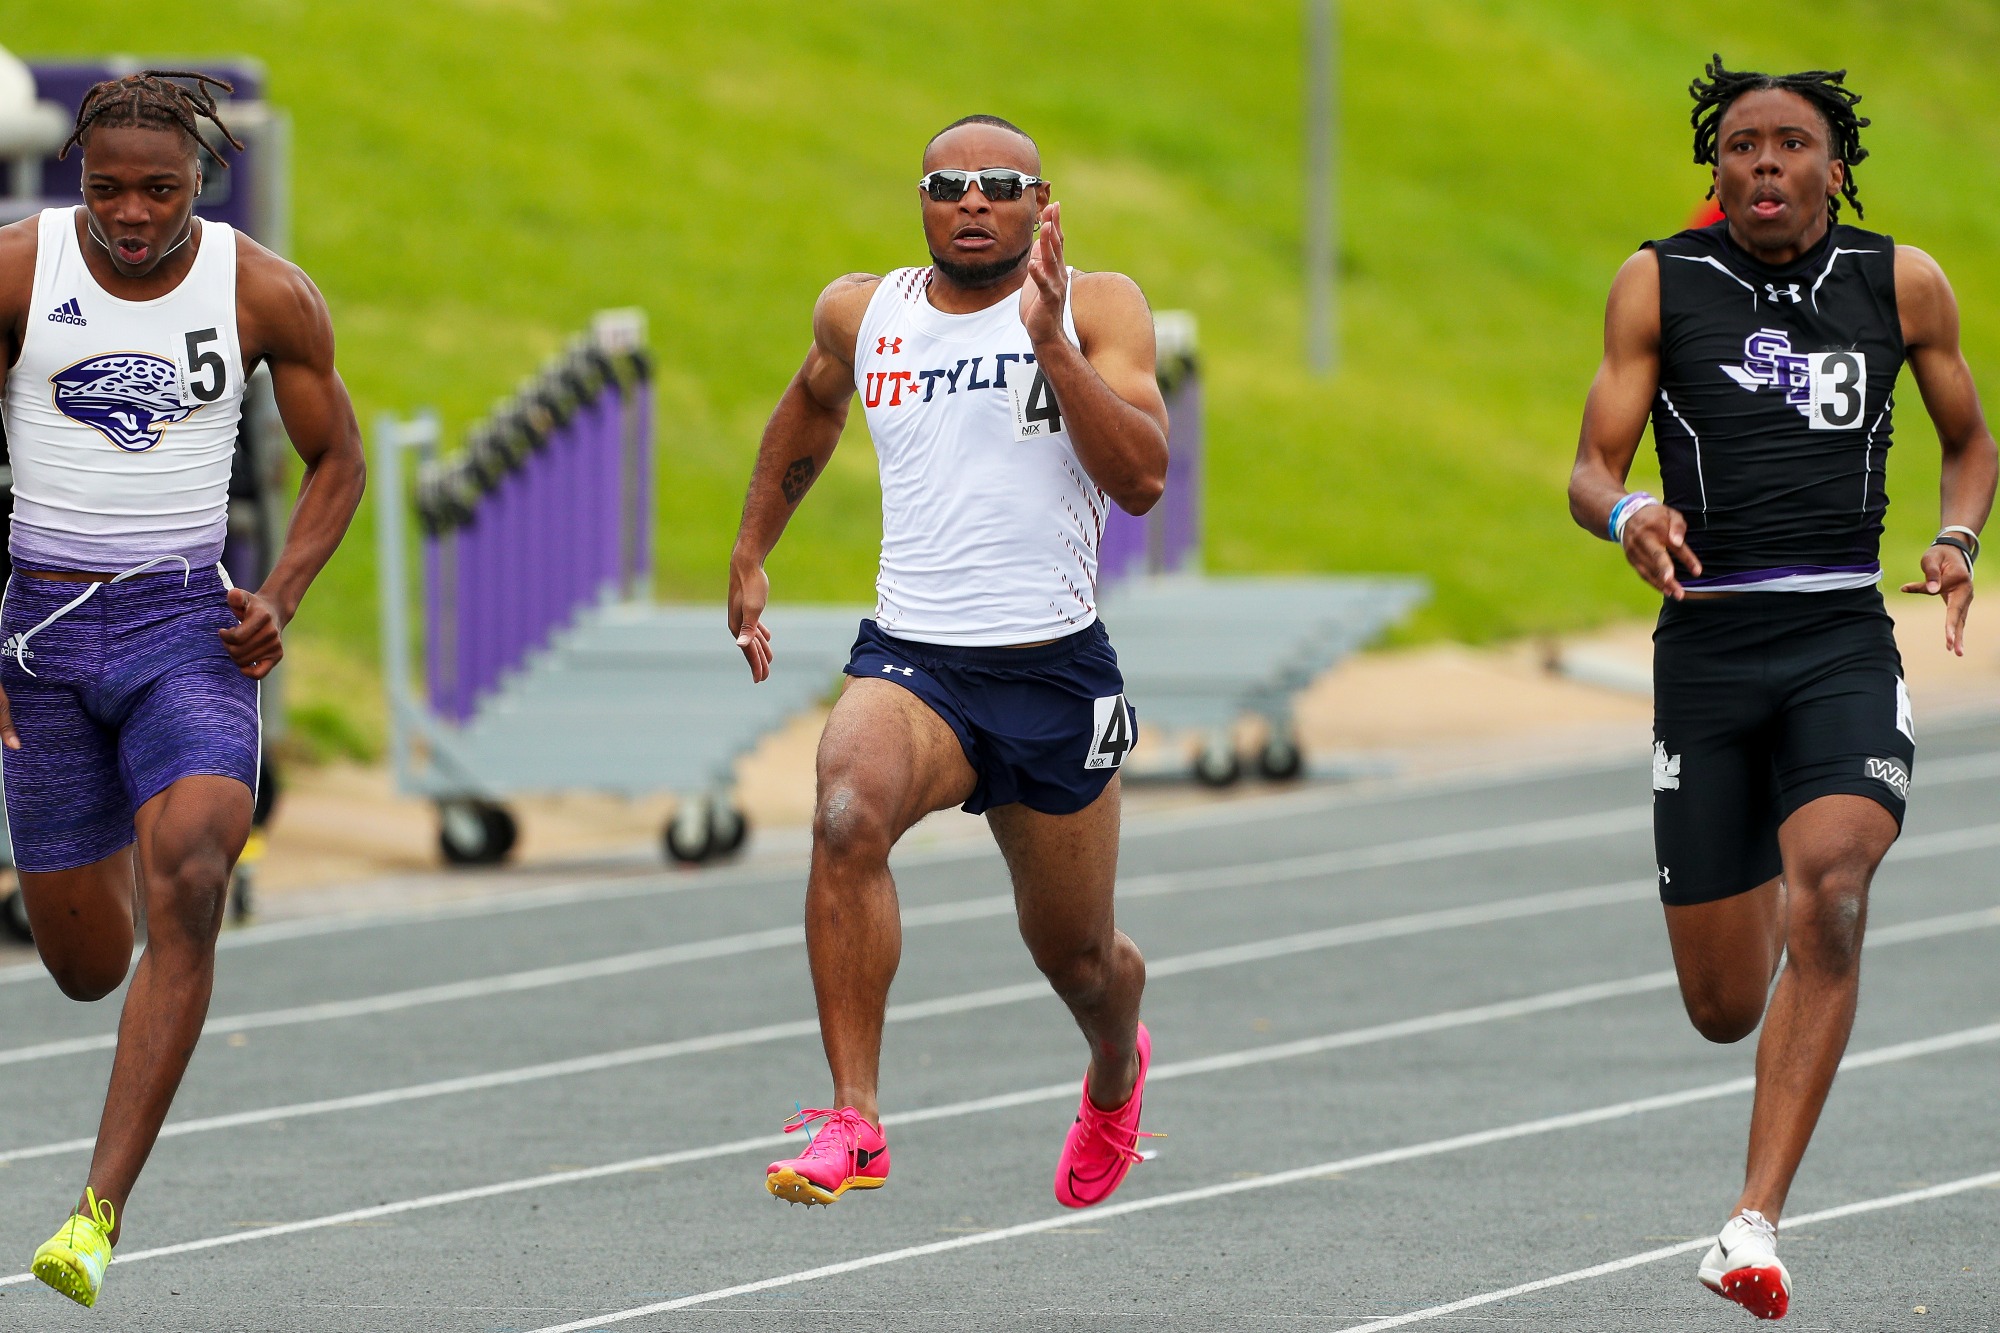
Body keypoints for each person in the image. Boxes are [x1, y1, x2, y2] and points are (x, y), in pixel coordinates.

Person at [1569, 56, 1995, 1320]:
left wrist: (1956, 539)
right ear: (1714, 166)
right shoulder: (1658, 281)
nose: (1764, 164)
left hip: (1836, 642)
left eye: (1790, 144)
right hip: (1705, 653)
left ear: (1832, 163)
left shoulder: (1899, 280)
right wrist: (1631, 511)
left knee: (1839, 897)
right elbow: (1590, 465)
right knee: (1716, 1005)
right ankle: (1760, 838)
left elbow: (1969, 441)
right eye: (1741, 145)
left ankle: (1750, 1224)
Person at [728, 114, 1169, 1210]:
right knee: (844, 809)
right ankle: (855, 1118)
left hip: (1053, 671)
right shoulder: (861, 311)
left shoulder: (1099, 305)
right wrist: (749, 550)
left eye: (998, 186)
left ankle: (1115, 1064)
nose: (972, 202)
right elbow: (812, 402)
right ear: (920, 200)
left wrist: (1053, 343)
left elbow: (1144, 477)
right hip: (915, 663)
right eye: (947, 185)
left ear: (1039, 203)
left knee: (1075, 959)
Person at [0, 71, 366, 1307]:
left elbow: (337, 460)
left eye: (159, 190)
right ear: (76, 183)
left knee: (199, 869)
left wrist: (284, 593)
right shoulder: (19, 272)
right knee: (86, 966)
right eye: (108, 191)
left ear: (199, 183)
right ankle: (92, 839)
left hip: (183, 624)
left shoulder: (263, 291)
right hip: (39, 637)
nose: (133, 214)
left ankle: (97, 1210)